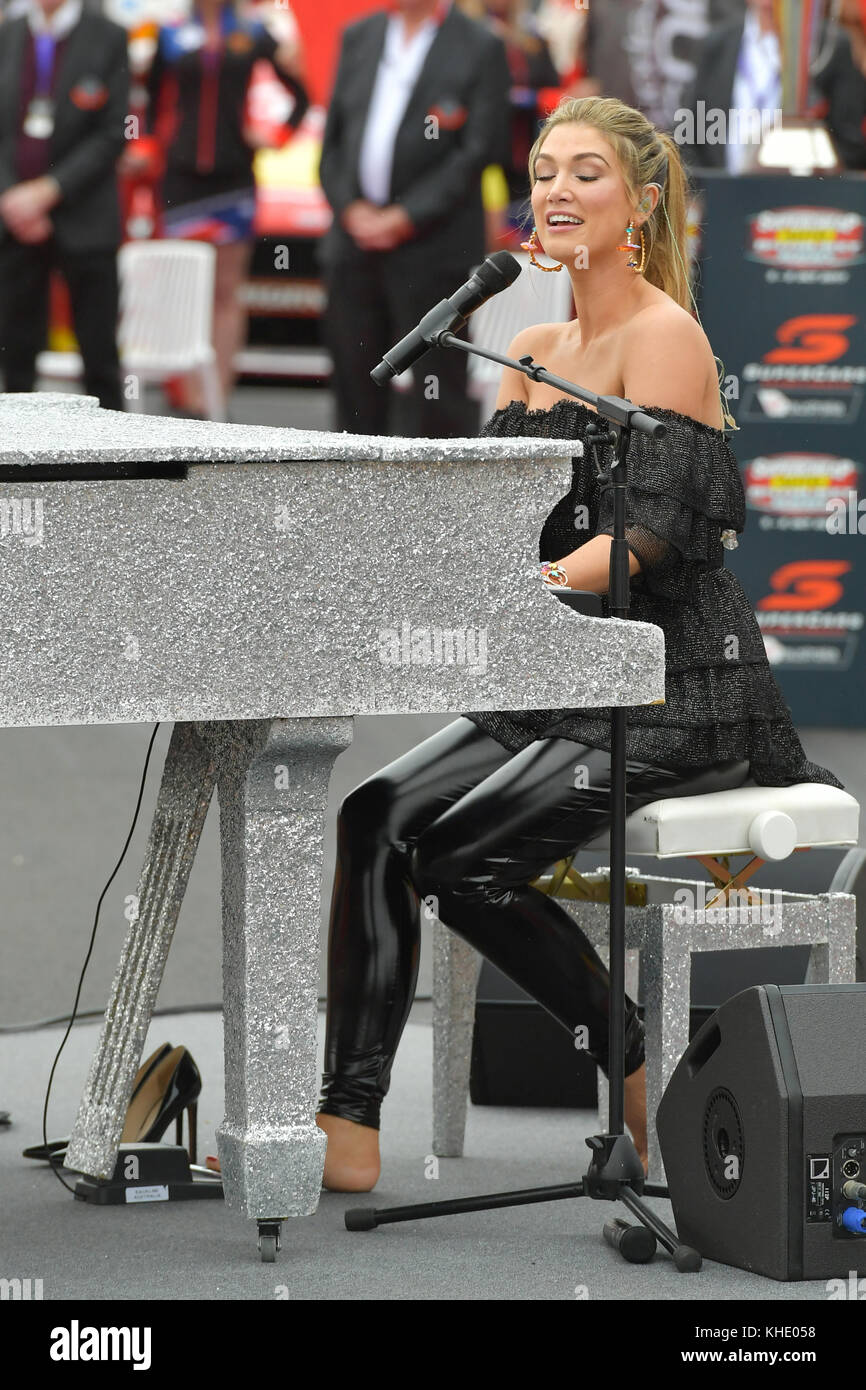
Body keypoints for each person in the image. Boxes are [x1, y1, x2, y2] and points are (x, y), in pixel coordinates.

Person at [312, 94, 846, 1193]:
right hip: (548, 665)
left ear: (641, 203)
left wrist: (531, 584)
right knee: (374, 816)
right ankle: (345, 1112)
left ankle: (633, 1058)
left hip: (667, 679)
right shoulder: (533, 342)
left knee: (462, 863)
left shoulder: (664, 336)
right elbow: (507, 517)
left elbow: (645, 536)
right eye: (543, 170)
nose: (554, 191)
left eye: (585, 173)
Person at [316, 0, 511, 438]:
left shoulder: (479, 44)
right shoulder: (360, 35)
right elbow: (333, 142)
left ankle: (445, 500)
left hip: (433, 246)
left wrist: (404, 216)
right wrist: (350, 210)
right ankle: (352, 493)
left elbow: (478, 150)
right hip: (353, 245)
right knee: (355, 381)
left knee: (437, 390)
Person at [142, 0, 310, 416]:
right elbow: (147, 100)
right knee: (183, 287)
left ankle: (216, 400)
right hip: (180, 180)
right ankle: (185, 398)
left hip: (234, 177)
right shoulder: (170, 30)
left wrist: (278, 133)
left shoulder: (253, 32)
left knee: (225, 291)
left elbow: (302, 93)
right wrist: (145, 144)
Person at [0, 0, 129, 409]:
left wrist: (49, 190)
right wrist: (13, 198)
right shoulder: (9, 32)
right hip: (15, 221)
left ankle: (118, 462)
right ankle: (17, 459)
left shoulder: (108, 35)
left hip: (86, 216)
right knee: (16, 356)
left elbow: (114, 132)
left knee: (99, 356)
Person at [681, 0, 866, 172]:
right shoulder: (718, 44)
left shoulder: (829, 47)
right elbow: (690, 131)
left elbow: (850, 142)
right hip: (723, 193)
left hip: (796, 197)